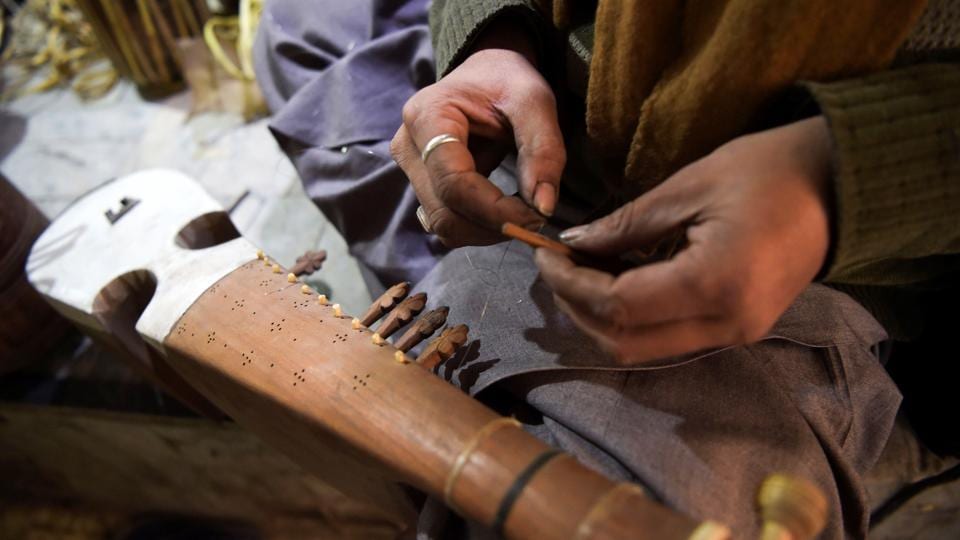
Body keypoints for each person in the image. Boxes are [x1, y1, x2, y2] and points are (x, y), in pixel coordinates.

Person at [255, 0, 959, 536]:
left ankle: (451, 284)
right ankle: (454, 270)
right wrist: (493, 39)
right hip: (545, 127)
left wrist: (836, 178)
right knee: (297, 24)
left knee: (618, 493)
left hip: (822, 258)